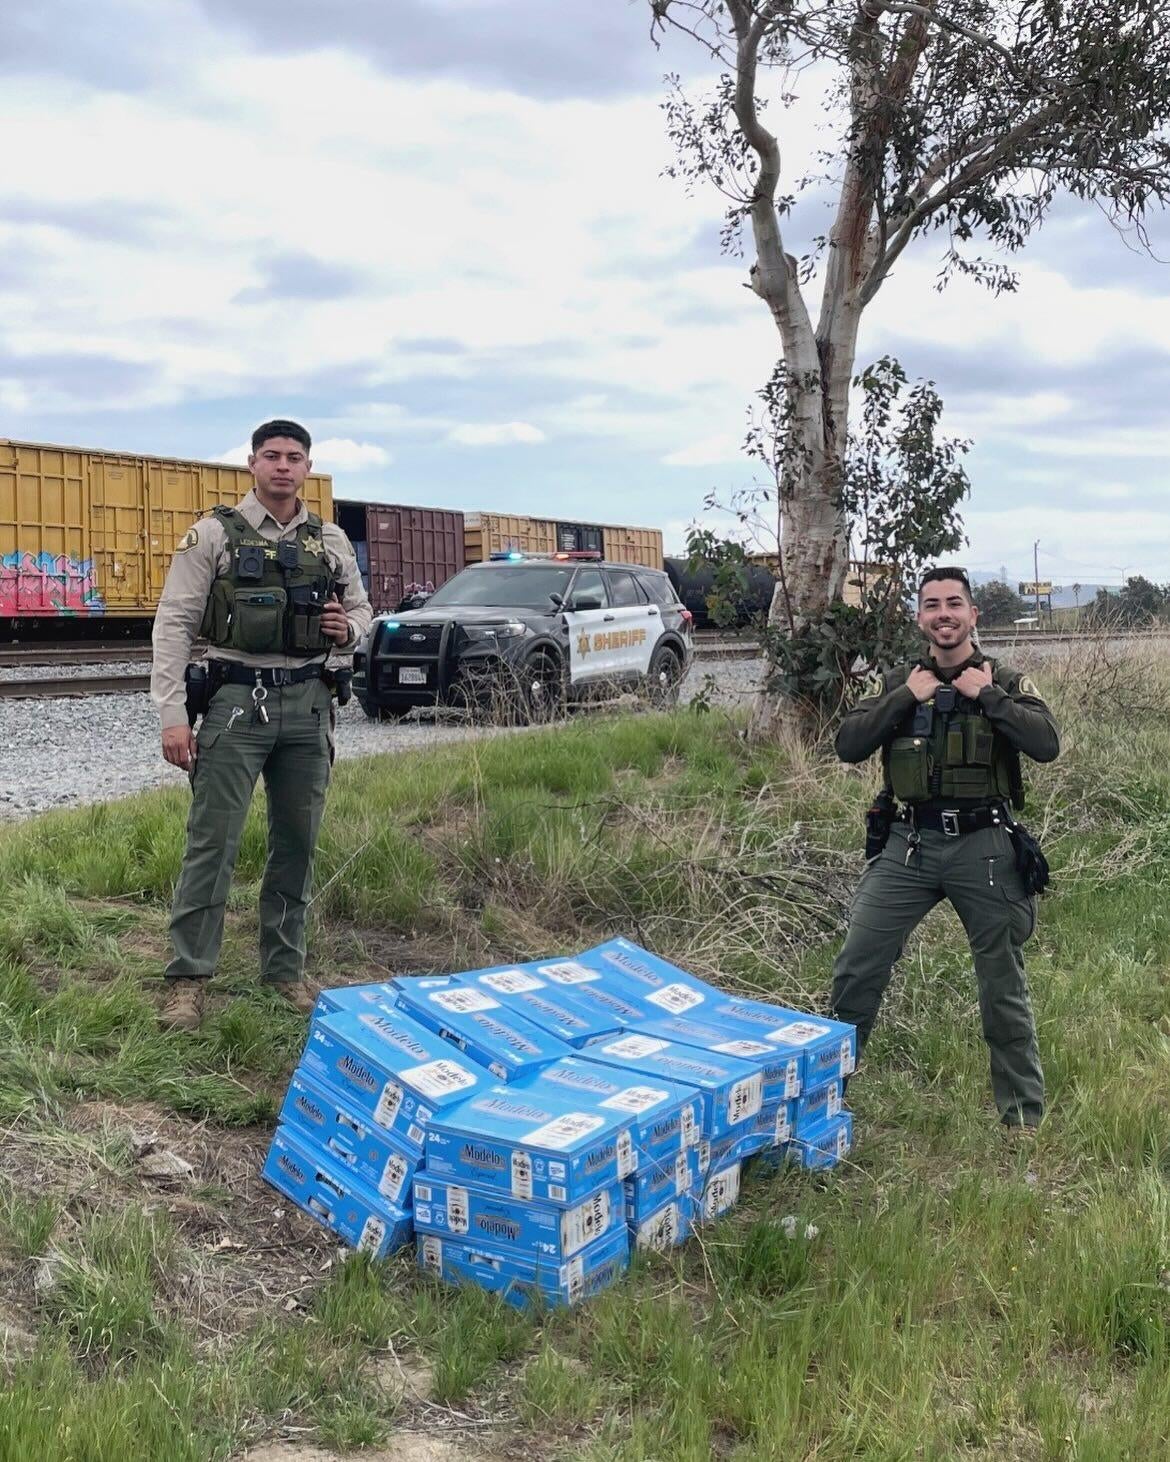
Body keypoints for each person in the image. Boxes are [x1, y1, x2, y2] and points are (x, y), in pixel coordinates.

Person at [151, 420, 372, 1031]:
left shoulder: (330, 540)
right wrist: (173, 716)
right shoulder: (212, 535)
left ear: (307, 468)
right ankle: (188, 980)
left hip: (309, 704)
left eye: (293, 457)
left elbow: (361, 609)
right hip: (234, 704)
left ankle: (284, 970)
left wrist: (348, 631)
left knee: (297, 842)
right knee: (212, 843)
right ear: (252, 464)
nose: (282, 466)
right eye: (271, 456)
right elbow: (174, 624)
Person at [829, 567, 1060, 1131]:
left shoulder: (1003, 678)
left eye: (954, 603)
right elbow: (848, 744)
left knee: (1002, 983)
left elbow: (1047, 743)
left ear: (973, 614)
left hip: (984, 846)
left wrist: (990, 696)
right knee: (857, 968)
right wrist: (906, 696)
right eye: (932, 605)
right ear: (920, 618)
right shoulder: (899, 681)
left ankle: (1022, 1121)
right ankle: (822, 1103)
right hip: (908, 845)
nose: (944, 615)